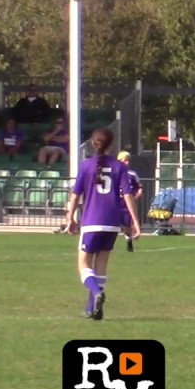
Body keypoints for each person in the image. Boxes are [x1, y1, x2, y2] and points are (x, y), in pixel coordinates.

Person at [63, 128, 140, 320]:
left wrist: (70, 218)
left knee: (83, 264)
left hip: (91, 221)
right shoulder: (120, 167)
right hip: (112, 223)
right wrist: (135, 222)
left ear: (92, 144)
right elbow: (128, 195)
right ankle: (93, 310)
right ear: (111, 145)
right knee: (101, 265)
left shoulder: (86, 165)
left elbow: (75, 195)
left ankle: (96, 293)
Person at [116, 151, 143, 253]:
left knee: (127, 227)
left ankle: (129, 243)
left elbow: (139, 186)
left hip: (127, 206)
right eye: (125, 160)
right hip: (116, 204)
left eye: (128, 161)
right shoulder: (114, 173)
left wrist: (138, 194)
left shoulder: (132, 174)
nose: (127, 163)